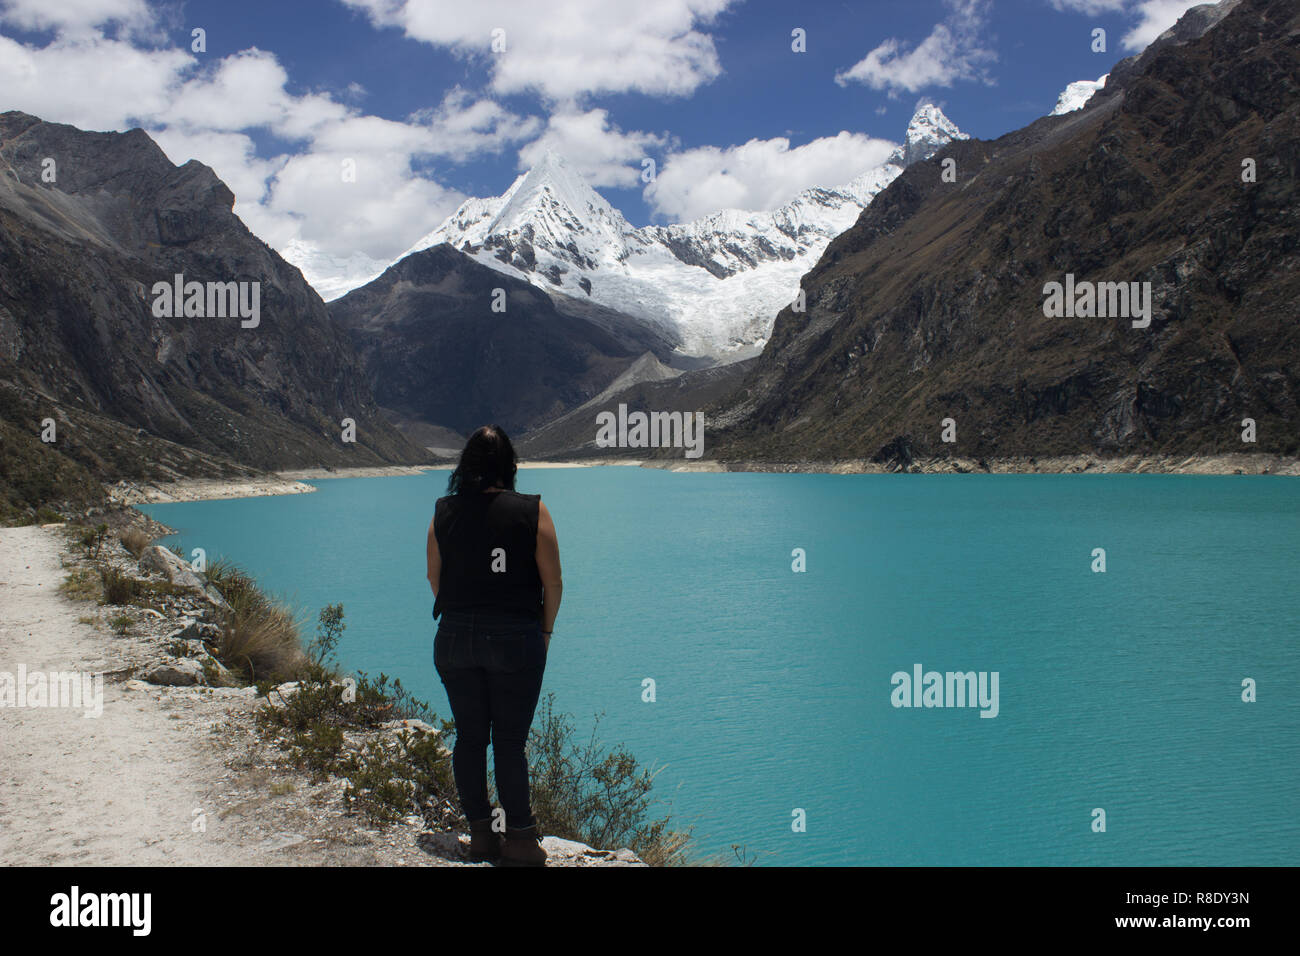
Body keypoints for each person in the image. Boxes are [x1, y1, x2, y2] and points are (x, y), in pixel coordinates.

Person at [426, 425, 563, 866]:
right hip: (515, 639)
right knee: (509, 742)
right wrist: (544, 632)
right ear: (510, 466)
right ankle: (521, 842)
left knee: (469, 737)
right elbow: (554, 582)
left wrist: (464, 617)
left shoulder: (442, 512)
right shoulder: (532, 511)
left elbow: (434, 578)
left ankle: (482, 836)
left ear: (465, 466)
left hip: (453, 637)